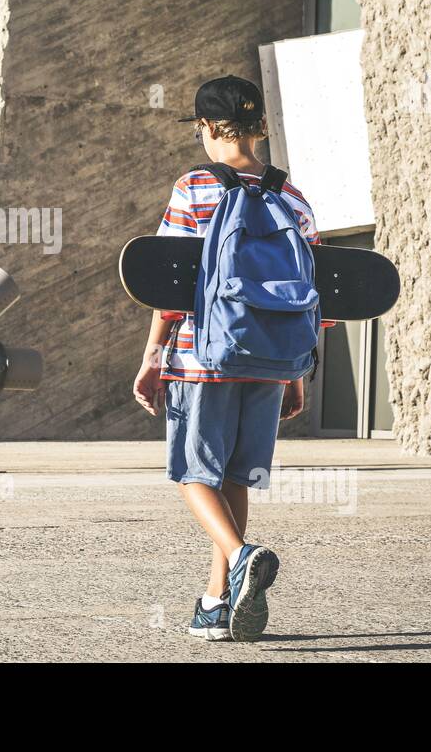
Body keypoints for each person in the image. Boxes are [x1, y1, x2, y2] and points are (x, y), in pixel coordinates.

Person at [133, 75, 322, 642]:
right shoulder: (294, 197)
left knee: (193, 473)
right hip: (271, 360)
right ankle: (217, 604)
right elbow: (316, 296)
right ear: (259, 127)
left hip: (203, 357)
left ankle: (241, 556)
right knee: (235, 475)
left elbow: (170, 285)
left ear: (209, 128)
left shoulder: (194, 189)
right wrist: (298, 372)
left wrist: (151, 358)